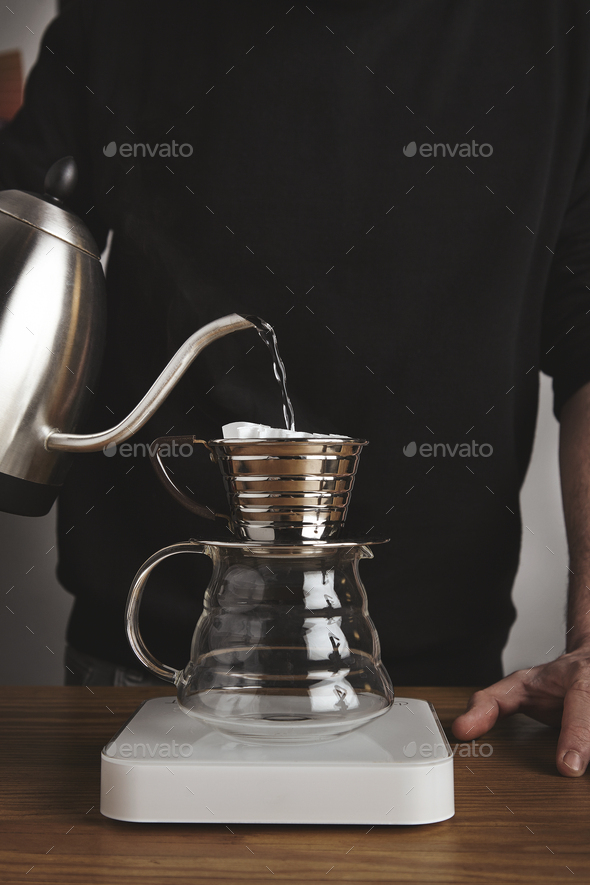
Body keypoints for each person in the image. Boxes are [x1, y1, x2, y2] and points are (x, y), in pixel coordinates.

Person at [1, 0, 590, 777]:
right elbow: (25, 222)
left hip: (449, 694)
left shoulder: (560, 32)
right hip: (133, 674)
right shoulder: (116, 16)